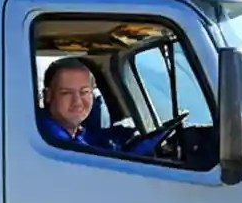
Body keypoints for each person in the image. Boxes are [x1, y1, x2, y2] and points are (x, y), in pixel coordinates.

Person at [38, 58, 168, 156]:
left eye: (84, 92)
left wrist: (124, 134)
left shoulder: (74, 132)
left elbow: (94, 138)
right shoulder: (47, 139)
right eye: (66, 93)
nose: (77, 101)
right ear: (48, 95)